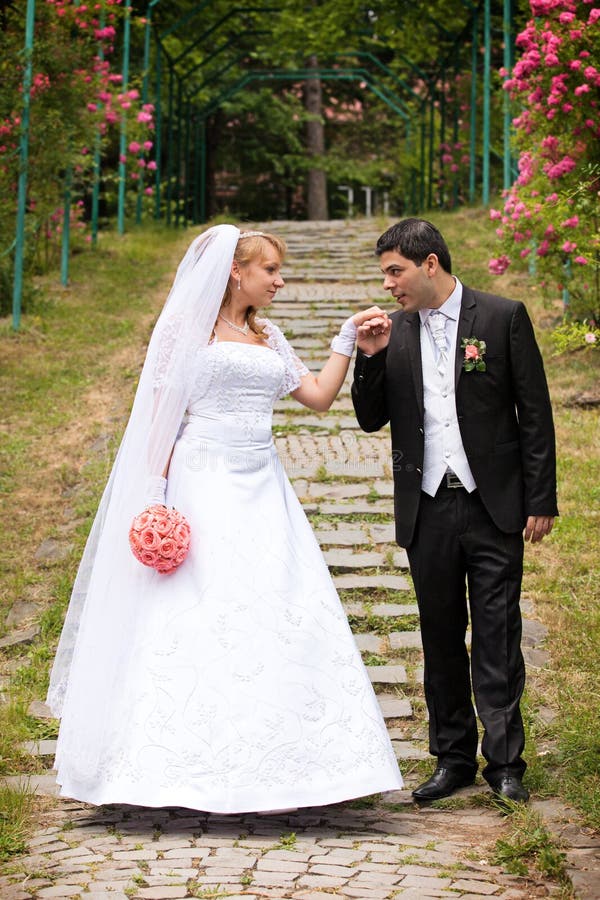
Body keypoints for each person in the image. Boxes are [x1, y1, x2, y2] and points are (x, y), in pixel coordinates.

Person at [47, 224, 402, 813]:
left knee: (278, 606)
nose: (280, 281)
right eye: (271, 271)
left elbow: (315, 396)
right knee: (193, 611)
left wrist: (345, 341)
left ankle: (295, 764)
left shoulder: (272, 337)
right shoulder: (184, 334)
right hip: (200, 479)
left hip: (262, 484)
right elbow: (160, 416)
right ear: (237, 271)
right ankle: (164, 767)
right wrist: (156, 496)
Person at [352, 218, 558, 804]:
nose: (389, 284)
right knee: (440, 632)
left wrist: (539, 499)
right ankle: (452, 758)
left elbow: (534, 415)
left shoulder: (501, 317)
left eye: (396, 271)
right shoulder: (391, 330)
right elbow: (370, 419)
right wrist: (369, 358)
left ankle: (505, 762)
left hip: (493, 504)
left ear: (430, 264)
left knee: (498, 632)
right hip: (427, 508)